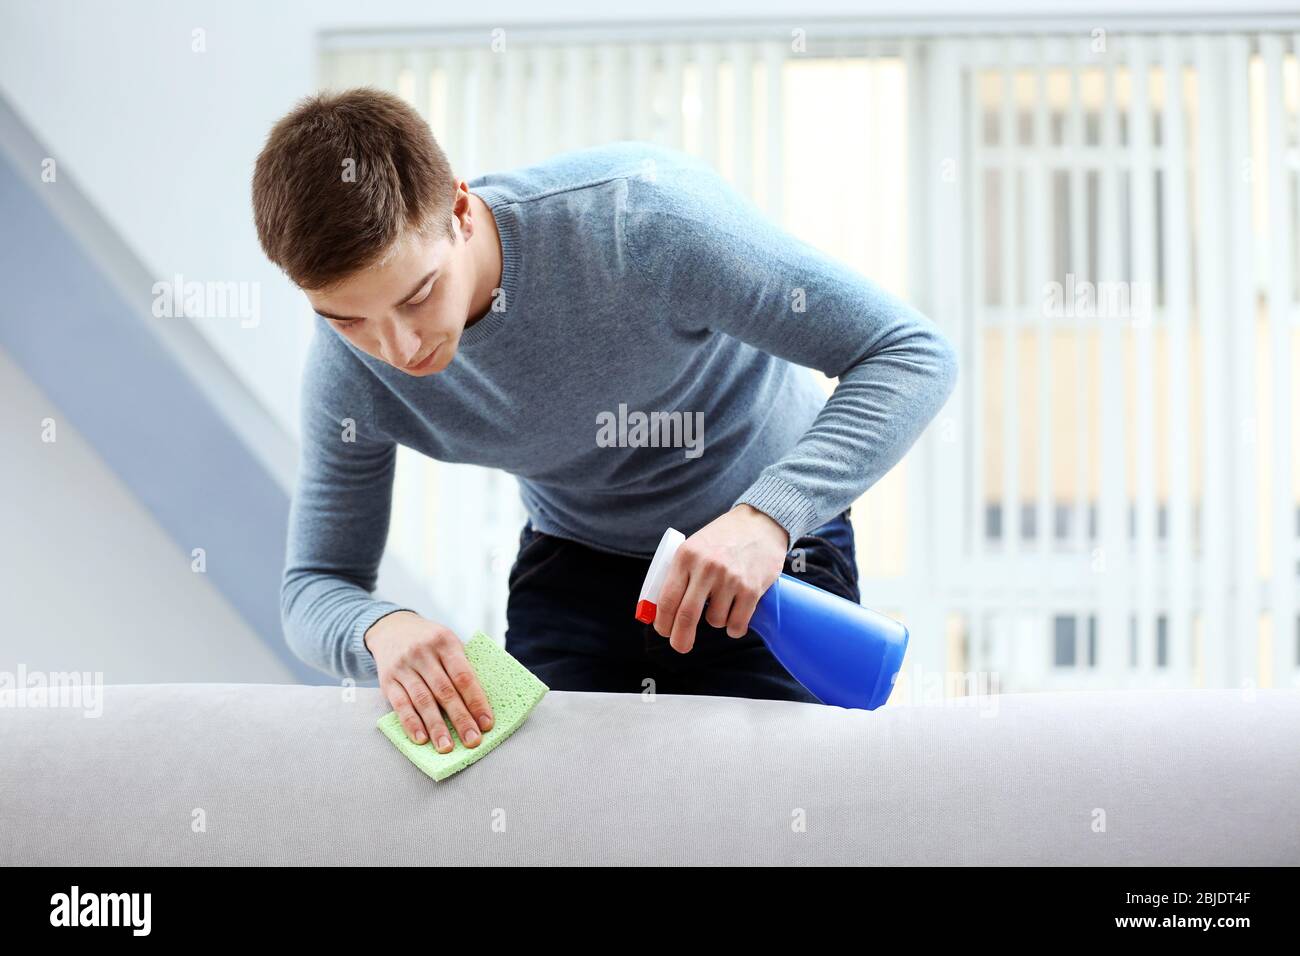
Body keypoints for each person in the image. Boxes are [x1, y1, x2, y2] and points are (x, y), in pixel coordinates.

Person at [251, 87, 957, 754]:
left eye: (417, 296)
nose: (396, 349)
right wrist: (381, 630)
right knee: (550, 818)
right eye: (348, 319)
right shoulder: (348, 376)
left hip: (769, 552)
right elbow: (314, 583)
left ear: (461, 213)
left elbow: (911, 353)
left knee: (769, 814)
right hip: (577, 567)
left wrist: (767, 518)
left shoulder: (645, 224)